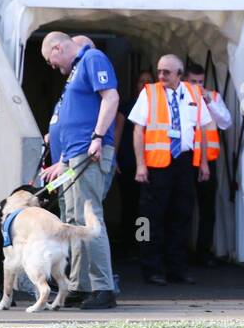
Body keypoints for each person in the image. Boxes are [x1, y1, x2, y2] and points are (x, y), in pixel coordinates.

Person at [39, 32, 119, 309]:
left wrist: (97, 136)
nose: (53, 67)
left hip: (88, 152)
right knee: (73, 219)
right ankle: (79, 285)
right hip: (74, 155)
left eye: (51, 60)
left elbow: (111, 97)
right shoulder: (76, 70)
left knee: (88, 217)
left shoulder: (92, 58)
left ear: (59, 47)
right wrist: (62, 159)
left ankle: (103, 287)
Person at [128, 54, 213, 286]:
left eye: (167, 72)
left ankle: (177, 267)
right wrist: (140, 165)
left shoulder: (194, 93)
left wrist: (203, 162)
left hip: (183, 162)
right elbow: (138, 130)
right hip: (155, 165)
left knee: (182, 216)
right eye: (159, 71)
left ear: (179, 74)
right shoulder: (149, 92)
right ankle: (149, 267)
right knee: (147, 218)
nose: (162, 76)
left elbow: (203, 130)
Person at [185, 61, 231, 267]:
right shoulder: (181, 96)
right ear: (186, 80)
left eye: (200, 81)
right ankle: (181, 251)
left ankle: (204, 252)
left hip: (208, 161)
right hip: (185, 159)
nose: (197, 85)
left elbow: (226, 121)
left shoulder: (212, 97)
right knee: (183, 209)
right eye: (193, 81)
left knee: (207, 209)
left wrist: (207, 101)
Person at [116, 69, 153, 249]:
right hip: (128, 161)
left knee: (144, 207)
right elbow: (118, 131)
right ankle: (128, 242)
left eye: (149, 81)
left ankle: (142, 242)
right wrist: (113, 157)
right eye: (141, 81)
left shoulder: (157, 105)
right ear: (136, 85)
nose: (145, 85)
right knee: (129, 204)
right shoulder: (126, 106)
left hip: (150, 163)